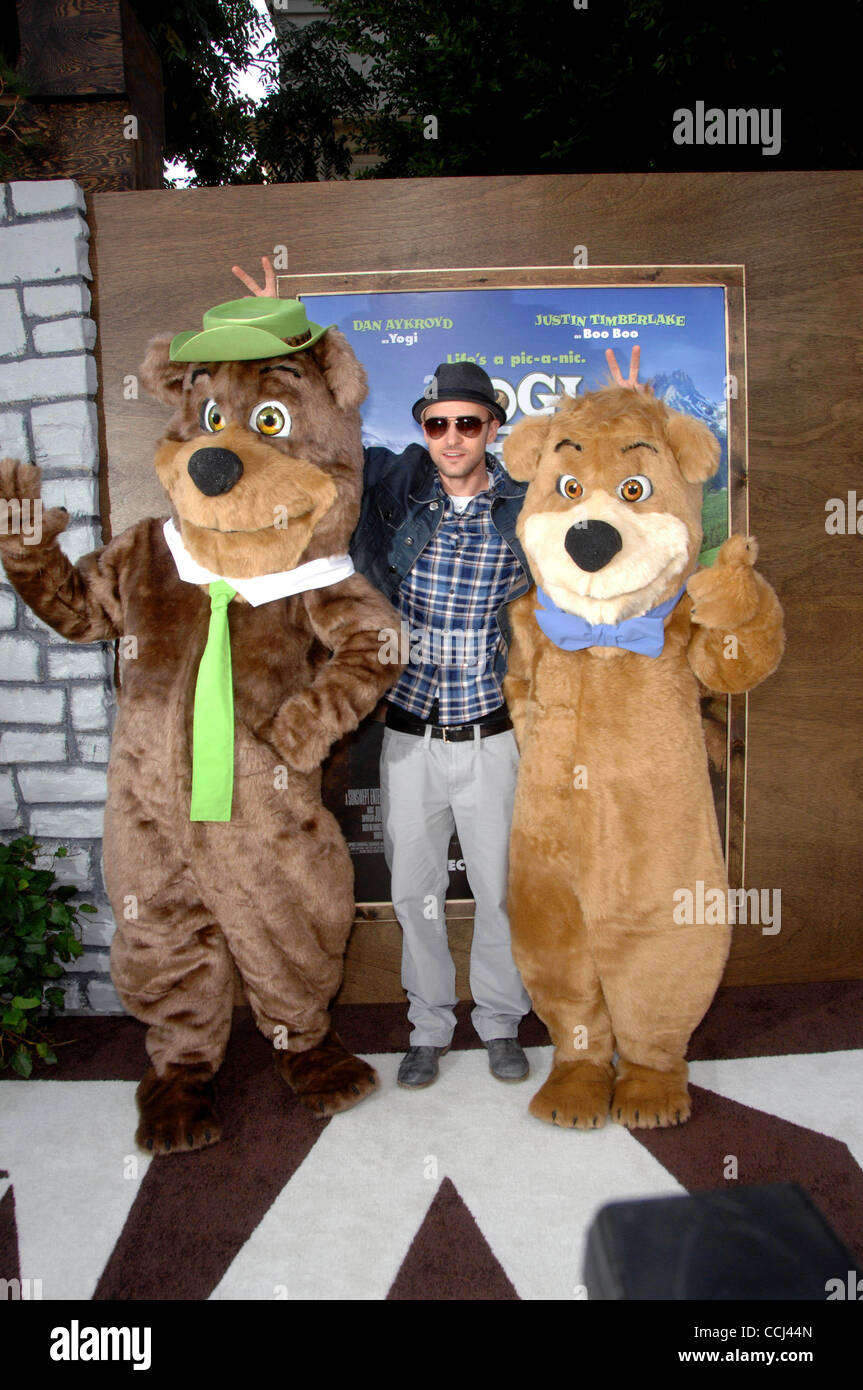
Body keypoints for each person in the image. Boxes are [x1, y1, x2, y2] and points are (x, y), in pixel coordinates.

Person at [231, 258, 641, 1090]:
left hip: (493, 740)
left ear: (493, 428)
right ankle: (426, 1026)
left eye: (468, 423)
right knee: (417, 897)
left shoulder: (527, 504)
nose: (450, 438)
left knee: (497, 896)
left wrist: (626, 409)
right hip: (409, 738)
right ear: (422, 430)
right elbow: (317, 425)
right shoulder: (394, 481)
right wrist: (286, 337)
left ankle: (496, 1024)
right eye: (437, 424)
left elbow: (604, 487)